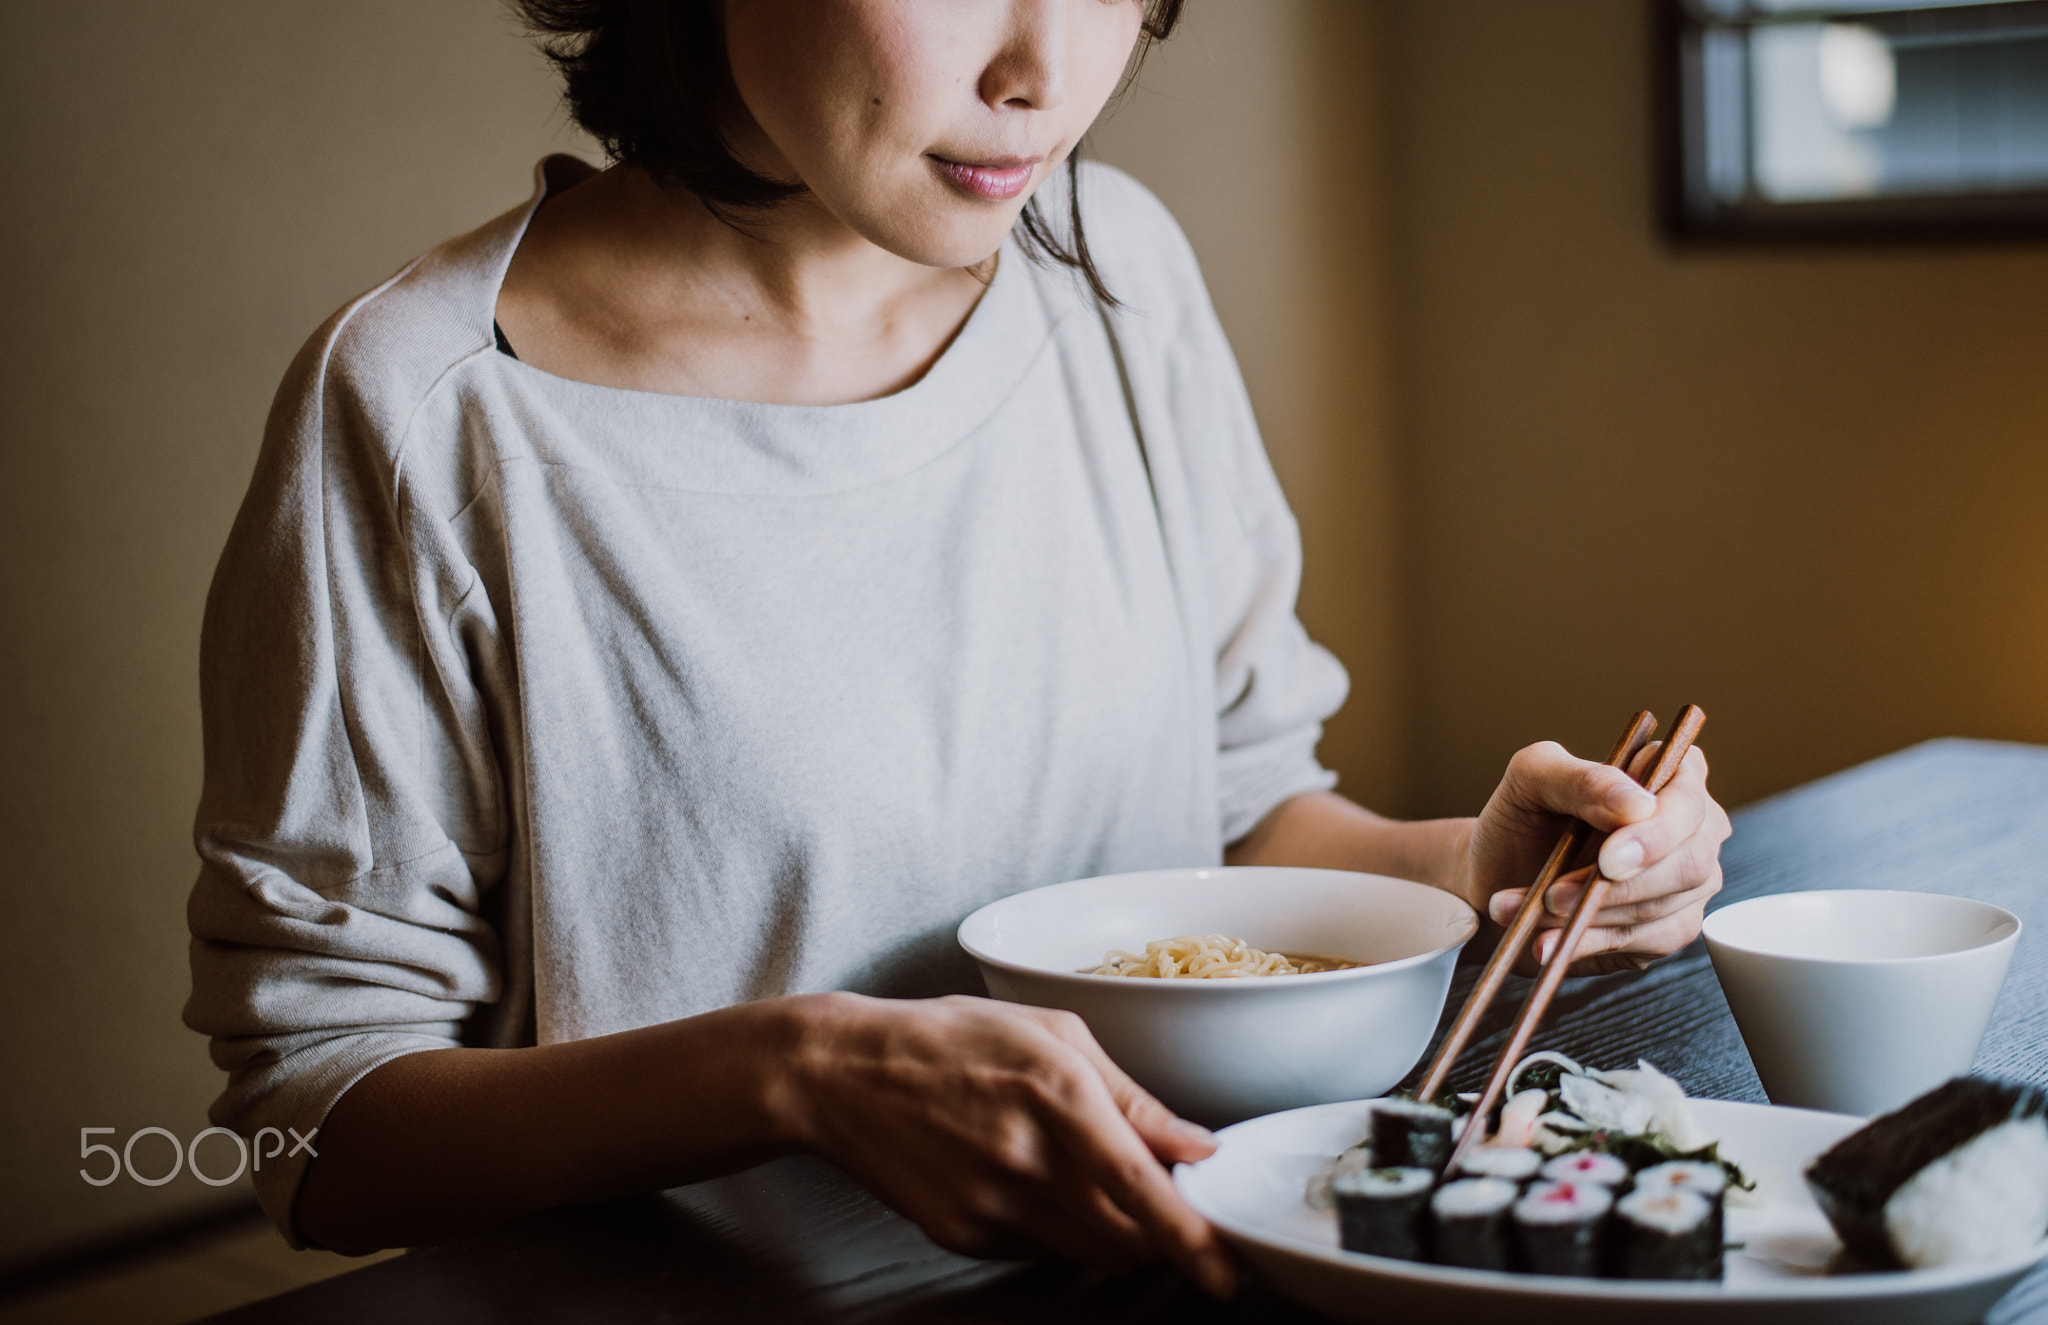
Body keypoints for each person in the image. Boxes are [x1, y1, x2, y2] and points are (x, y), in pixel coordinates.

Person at [184, 0, 1730, 1300]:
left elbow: (1243, 823)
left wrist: (1481, 874)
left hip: (1191, 1278)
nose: (1044, 72)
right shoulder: (426, 409)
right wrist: (792, 1072)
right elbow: (317, 1124)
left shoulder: (1109, 268)